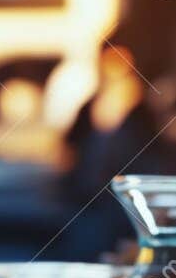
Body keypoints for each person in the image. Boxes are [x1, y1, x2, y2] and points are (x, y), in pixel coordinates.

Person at [61, 29, 161, 258]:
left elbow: (155, 156)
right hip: (90, 204)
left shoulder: (144, 110)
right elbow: (69, 148)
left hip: (130, 206)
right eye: (110, 58)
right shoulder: (89, 106)